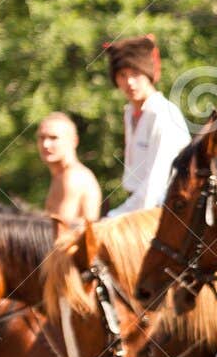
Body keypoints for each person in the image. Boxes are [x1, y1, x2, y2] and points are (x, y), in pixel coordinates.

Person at [105, 34, 189, 216]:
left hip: (163, 211)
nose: (129, 82)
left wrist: (115, 218)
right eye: (122, 75)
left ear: (148, 73)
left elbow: (155, 185)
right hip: (137, 205)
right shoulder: (130, 113)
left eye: (136, 73)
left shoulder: (163, 115)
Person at [37, 112, 102, 225]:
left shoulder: (73, 177)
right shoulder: (60, 175)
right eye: (42, 138)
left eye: (54, 138)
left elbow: (60, 233)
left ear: (74, 141)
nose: (45, 144)